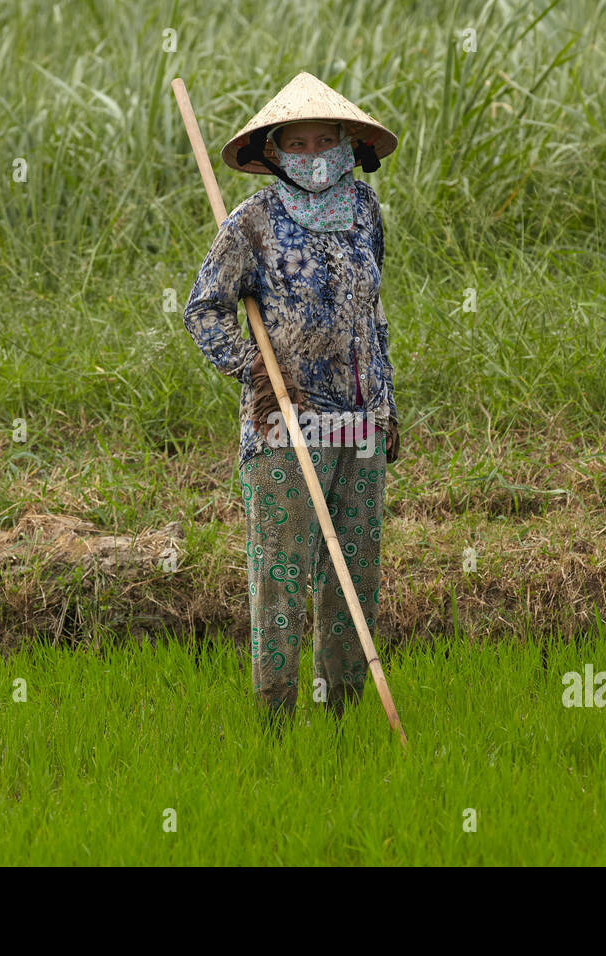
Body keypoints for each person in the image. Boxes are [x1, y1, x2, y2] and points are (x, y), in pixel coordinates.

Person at [183, 72, 401, 733]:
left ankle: (342, 721)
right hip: (284, 427)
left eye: (324, 139)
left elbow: (373, 315)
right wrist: (255, 370)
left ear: (345, 144)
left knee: (353, 583)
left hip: (358, 425)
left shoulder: (366, 211)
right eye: (297, 142)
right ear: (274, 150)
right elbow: (206, 310)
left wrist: (386, 403)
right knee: (281, 584)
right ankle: (274, 727)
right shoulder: (250, 223)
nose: (312, 152)